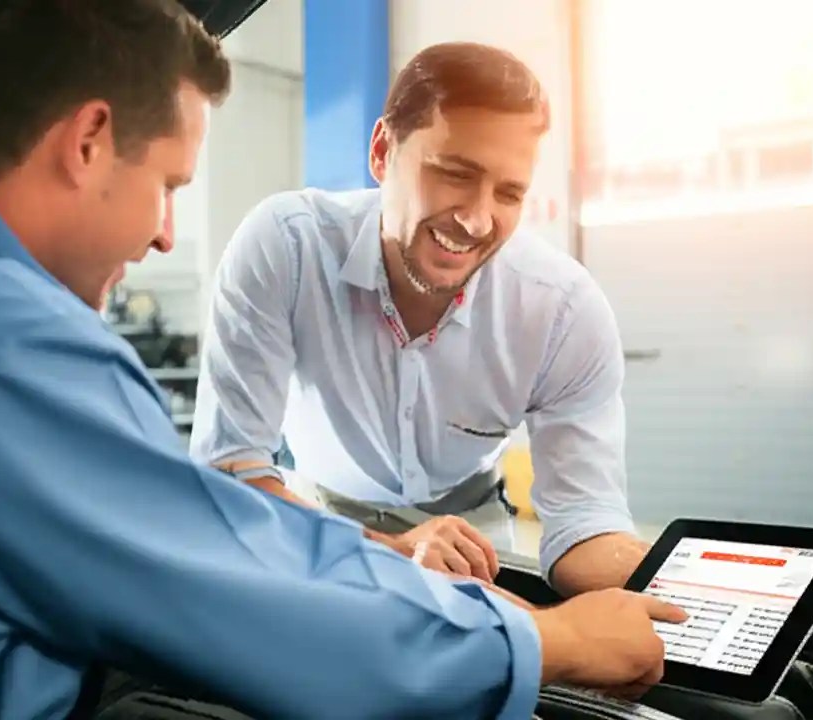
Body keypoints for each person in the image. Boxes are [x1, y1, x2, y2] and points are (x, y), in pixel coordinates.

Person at [0, 2, 684, 718]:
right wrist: (547, 642)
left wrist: (401, 565)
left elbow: (212, 536)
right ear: (87, 141)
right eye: (167, 183)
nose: (168, 234)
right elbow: (253, 604)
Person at [191, 41, 648, 595]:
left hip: (473, 534)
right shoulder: (287, 247)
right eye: (455, 173)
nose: (478, 220)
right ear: (383, 151)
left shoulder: (562, 309)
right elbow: (230, 475)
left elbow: (585, 519)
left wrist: (670, 592)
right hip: (310, 518)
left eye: (508, 193)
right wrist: (397, 557)